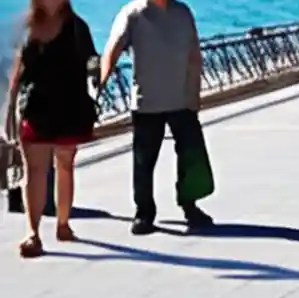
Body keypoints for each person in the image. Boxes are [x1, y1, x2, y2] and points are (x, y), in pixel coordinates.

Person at [101, 0, 215, 235]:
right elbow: (112, 49)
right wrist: (101, 82)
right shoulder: (133, 13)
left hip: (182, 100)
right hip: (147, 103)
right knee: (144, 162)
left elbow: (194, 54)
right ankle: (144, 213)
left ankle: (190, 205)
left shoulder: (183, 12)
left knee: (191, 156)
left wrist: (194, 93)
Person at [5, 0, 97, 258]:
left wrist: (97, 74)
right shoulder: (27, 28)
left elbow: (91, 62)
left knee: (65, 166)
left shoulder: (78, 27)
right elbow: (17, 72)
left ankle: (63, 224)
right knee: (34, 170)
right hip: (35, 108)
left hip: (70, 108)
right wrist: (10, 111)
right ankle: (33, 233)